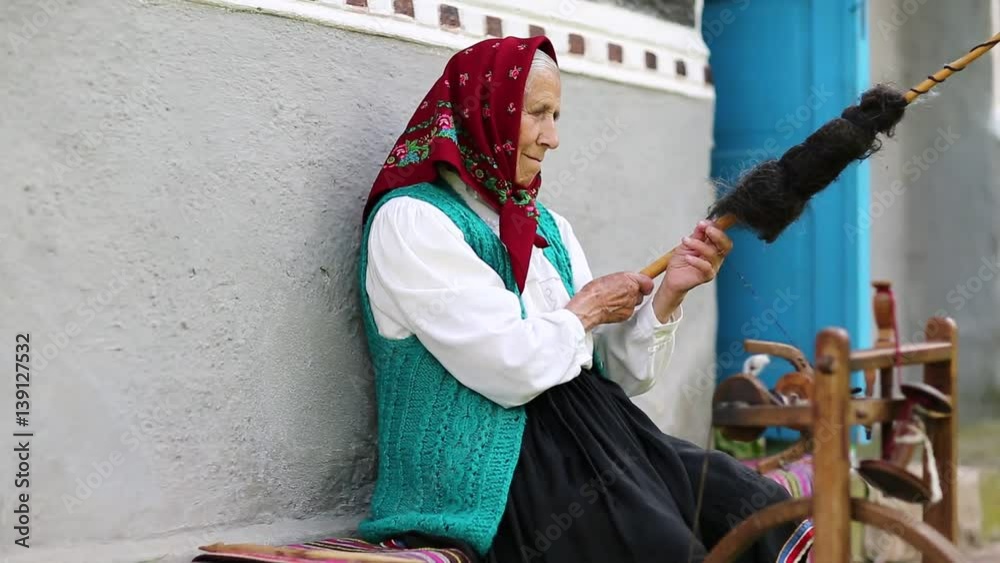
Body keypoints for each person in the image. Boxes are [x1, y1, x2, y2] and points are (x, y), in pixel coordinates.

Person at [356, 36, 800, 563]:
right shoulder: (413, 222)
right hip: (494, 468)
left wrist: (669, 295)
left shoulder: (548, 227)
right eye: (538, 113)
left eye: (557, 115)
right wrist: (586, 308)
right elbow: (510, 368)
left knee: (753, 505)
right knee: (659, 545)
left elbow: (607, 373)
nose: (553, 138)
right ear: (485, 111)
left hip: (597, 434)